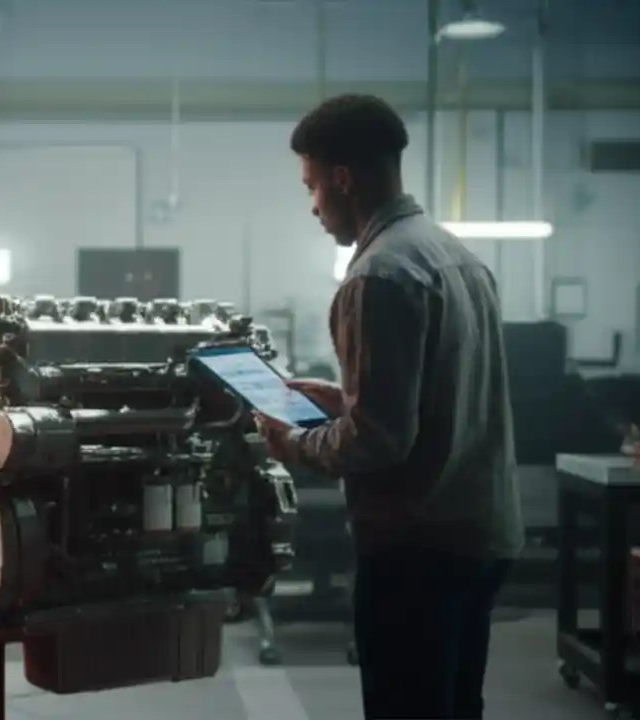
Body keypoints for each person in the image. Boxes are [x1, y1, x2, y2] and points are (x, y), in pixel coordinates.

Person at [253, 94, 525, 720]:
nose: (313, 206)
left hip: (418, 551)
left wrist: (292, 441)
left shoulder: (377, 276)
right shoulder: (457, 257)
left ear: (341, 179)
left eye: (312, 186)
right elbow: (435, 398)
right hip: (481, 533)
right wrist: (341, 401)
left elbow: (377, 443)